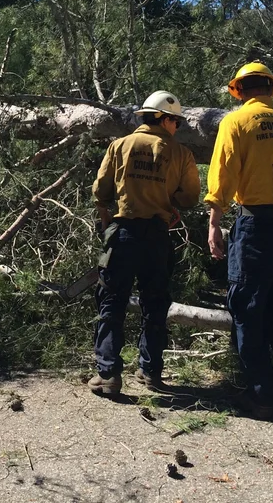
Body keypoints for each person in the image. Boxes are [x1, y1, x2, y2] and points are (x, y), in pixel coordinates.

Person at [205, 62, 273, 419]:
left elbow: (223, 173)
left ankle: (261, 395)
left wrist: (215, 222)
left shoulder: (235, 122)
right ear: (271, 88)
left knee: (247, 307)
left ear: (239, 90)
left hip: (258, 225)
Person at [89, 90, 200, 396]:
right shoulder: (181, 154)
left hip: (124, 233)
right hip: (157, 237)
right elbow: (190, 197)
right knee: (155, 304)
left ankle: (108, 374)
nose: (176, 127)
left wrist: (107, 219)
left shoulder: (120, 145)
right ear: (165, 119)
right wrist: (168, 201)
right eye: (175, 121)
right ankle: (150, 372)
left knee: (112, 302)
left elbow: (101, 191)